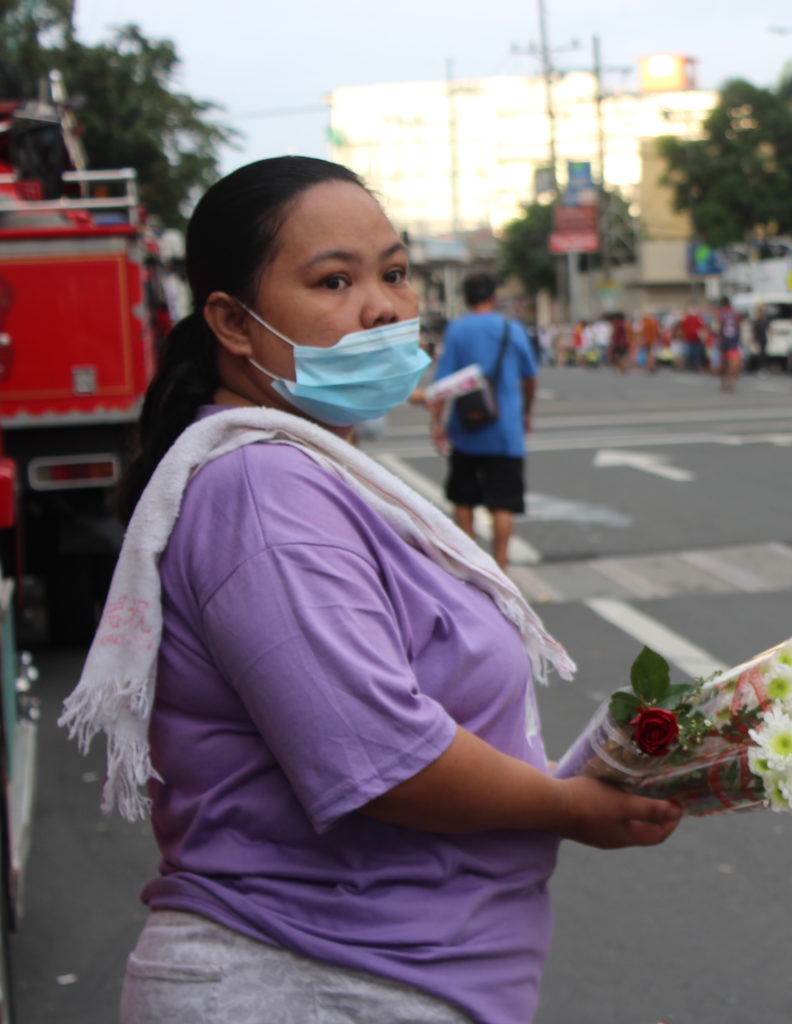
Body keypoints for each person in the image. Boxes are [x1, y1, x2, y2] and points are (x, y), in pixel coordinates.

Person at [75, 156, 679, 1024]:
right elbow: (382, 756)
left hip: (383, 977)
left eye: (395, 273)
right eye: (335, 281)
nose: (384, 308)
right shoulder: (263, 491)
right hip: (311, 982)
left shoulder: (316, 471)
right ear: (233, 323)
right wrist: (566, 804)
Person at [431, 273, 540, 571]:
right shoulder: (511, 329)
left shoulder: (457, 329)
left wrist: (437, 423)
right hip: (506, 431)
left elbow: (444, 384)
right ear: (494, 296)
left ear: (466, 298)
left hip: (466, 427)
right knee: (503, 505)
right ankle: (501, 568)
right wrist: (526, 412)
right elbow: (530, 377)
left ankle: (471, 565)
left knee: (463, 499)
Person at [716, 301, 743, 391]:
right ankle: (729, 381)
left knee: (726, 363)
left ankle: (726, 381)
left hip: (725, 342)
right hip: (732, 342)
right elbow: (738, 327)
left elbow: (718, 328)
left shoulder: (722, 314)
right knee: (732, 363)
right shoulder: (735, 314)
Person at [638, 308, 661, 373]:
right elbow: (658, 331)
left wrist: (641, 339)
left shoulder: (644, 321)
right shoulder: (654, 321)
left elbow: (641, 331)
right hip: (653, 340)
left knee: (648, 354)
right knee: (652, 353)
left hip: (646, 340)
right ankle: (651, 366)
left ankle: (649, 366)